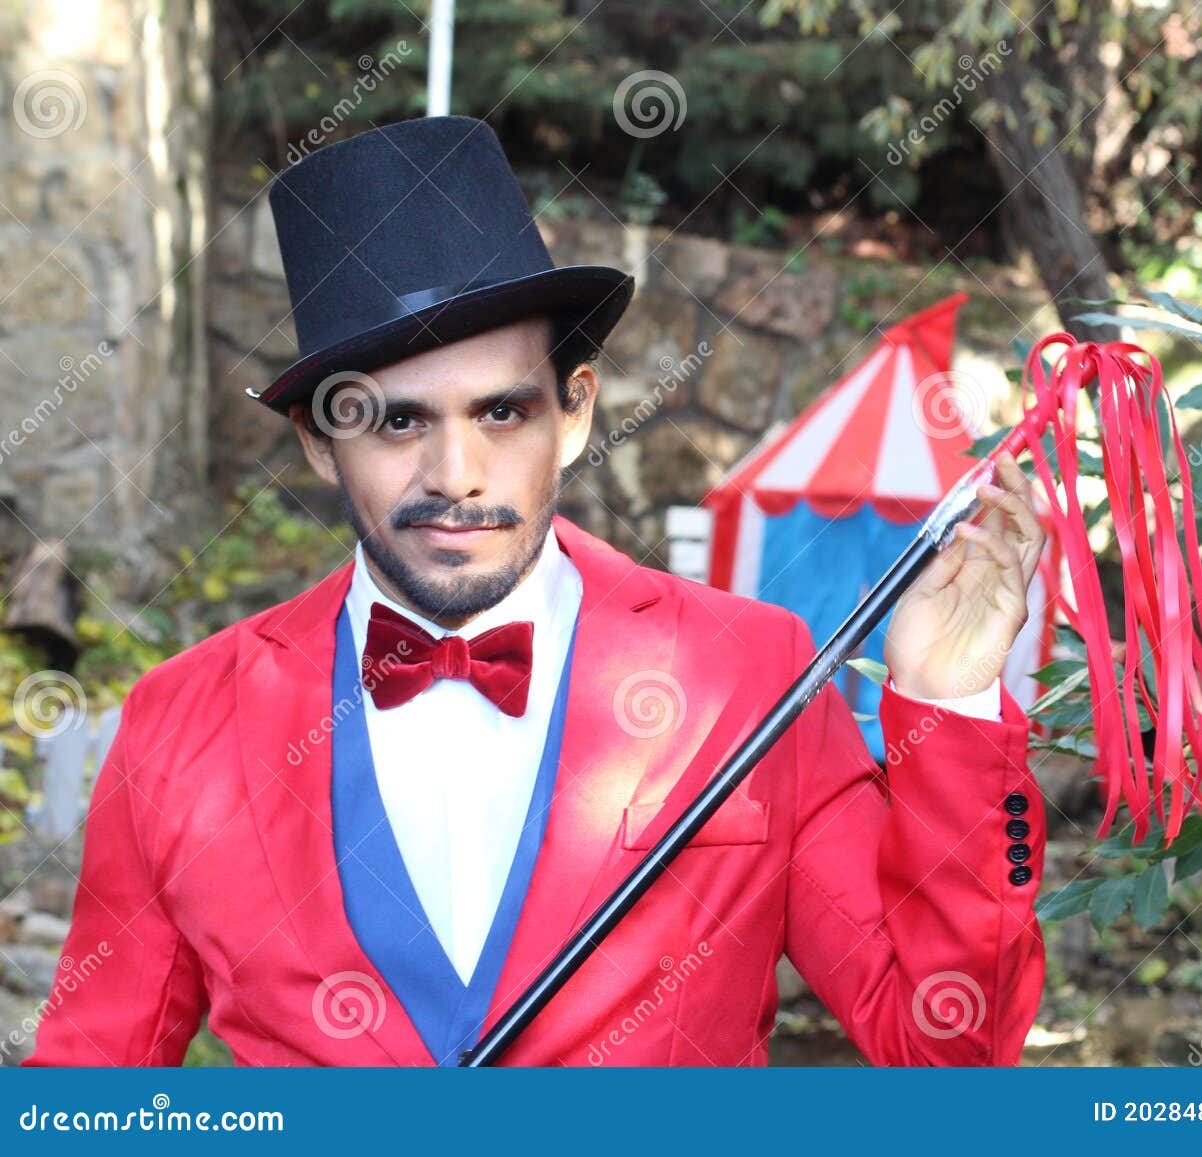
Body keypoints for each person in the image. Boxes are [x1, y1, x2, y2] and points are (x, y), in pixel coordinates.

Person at [25, 116, 1047, 1067]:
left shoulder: (754, 675)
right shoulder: (176, 725)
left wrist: (950, 702)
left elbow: (946, 1043)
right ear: (319, 442)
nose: (455, 473)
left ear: (573, 412)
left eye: (502, 411)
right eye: (394, 422)